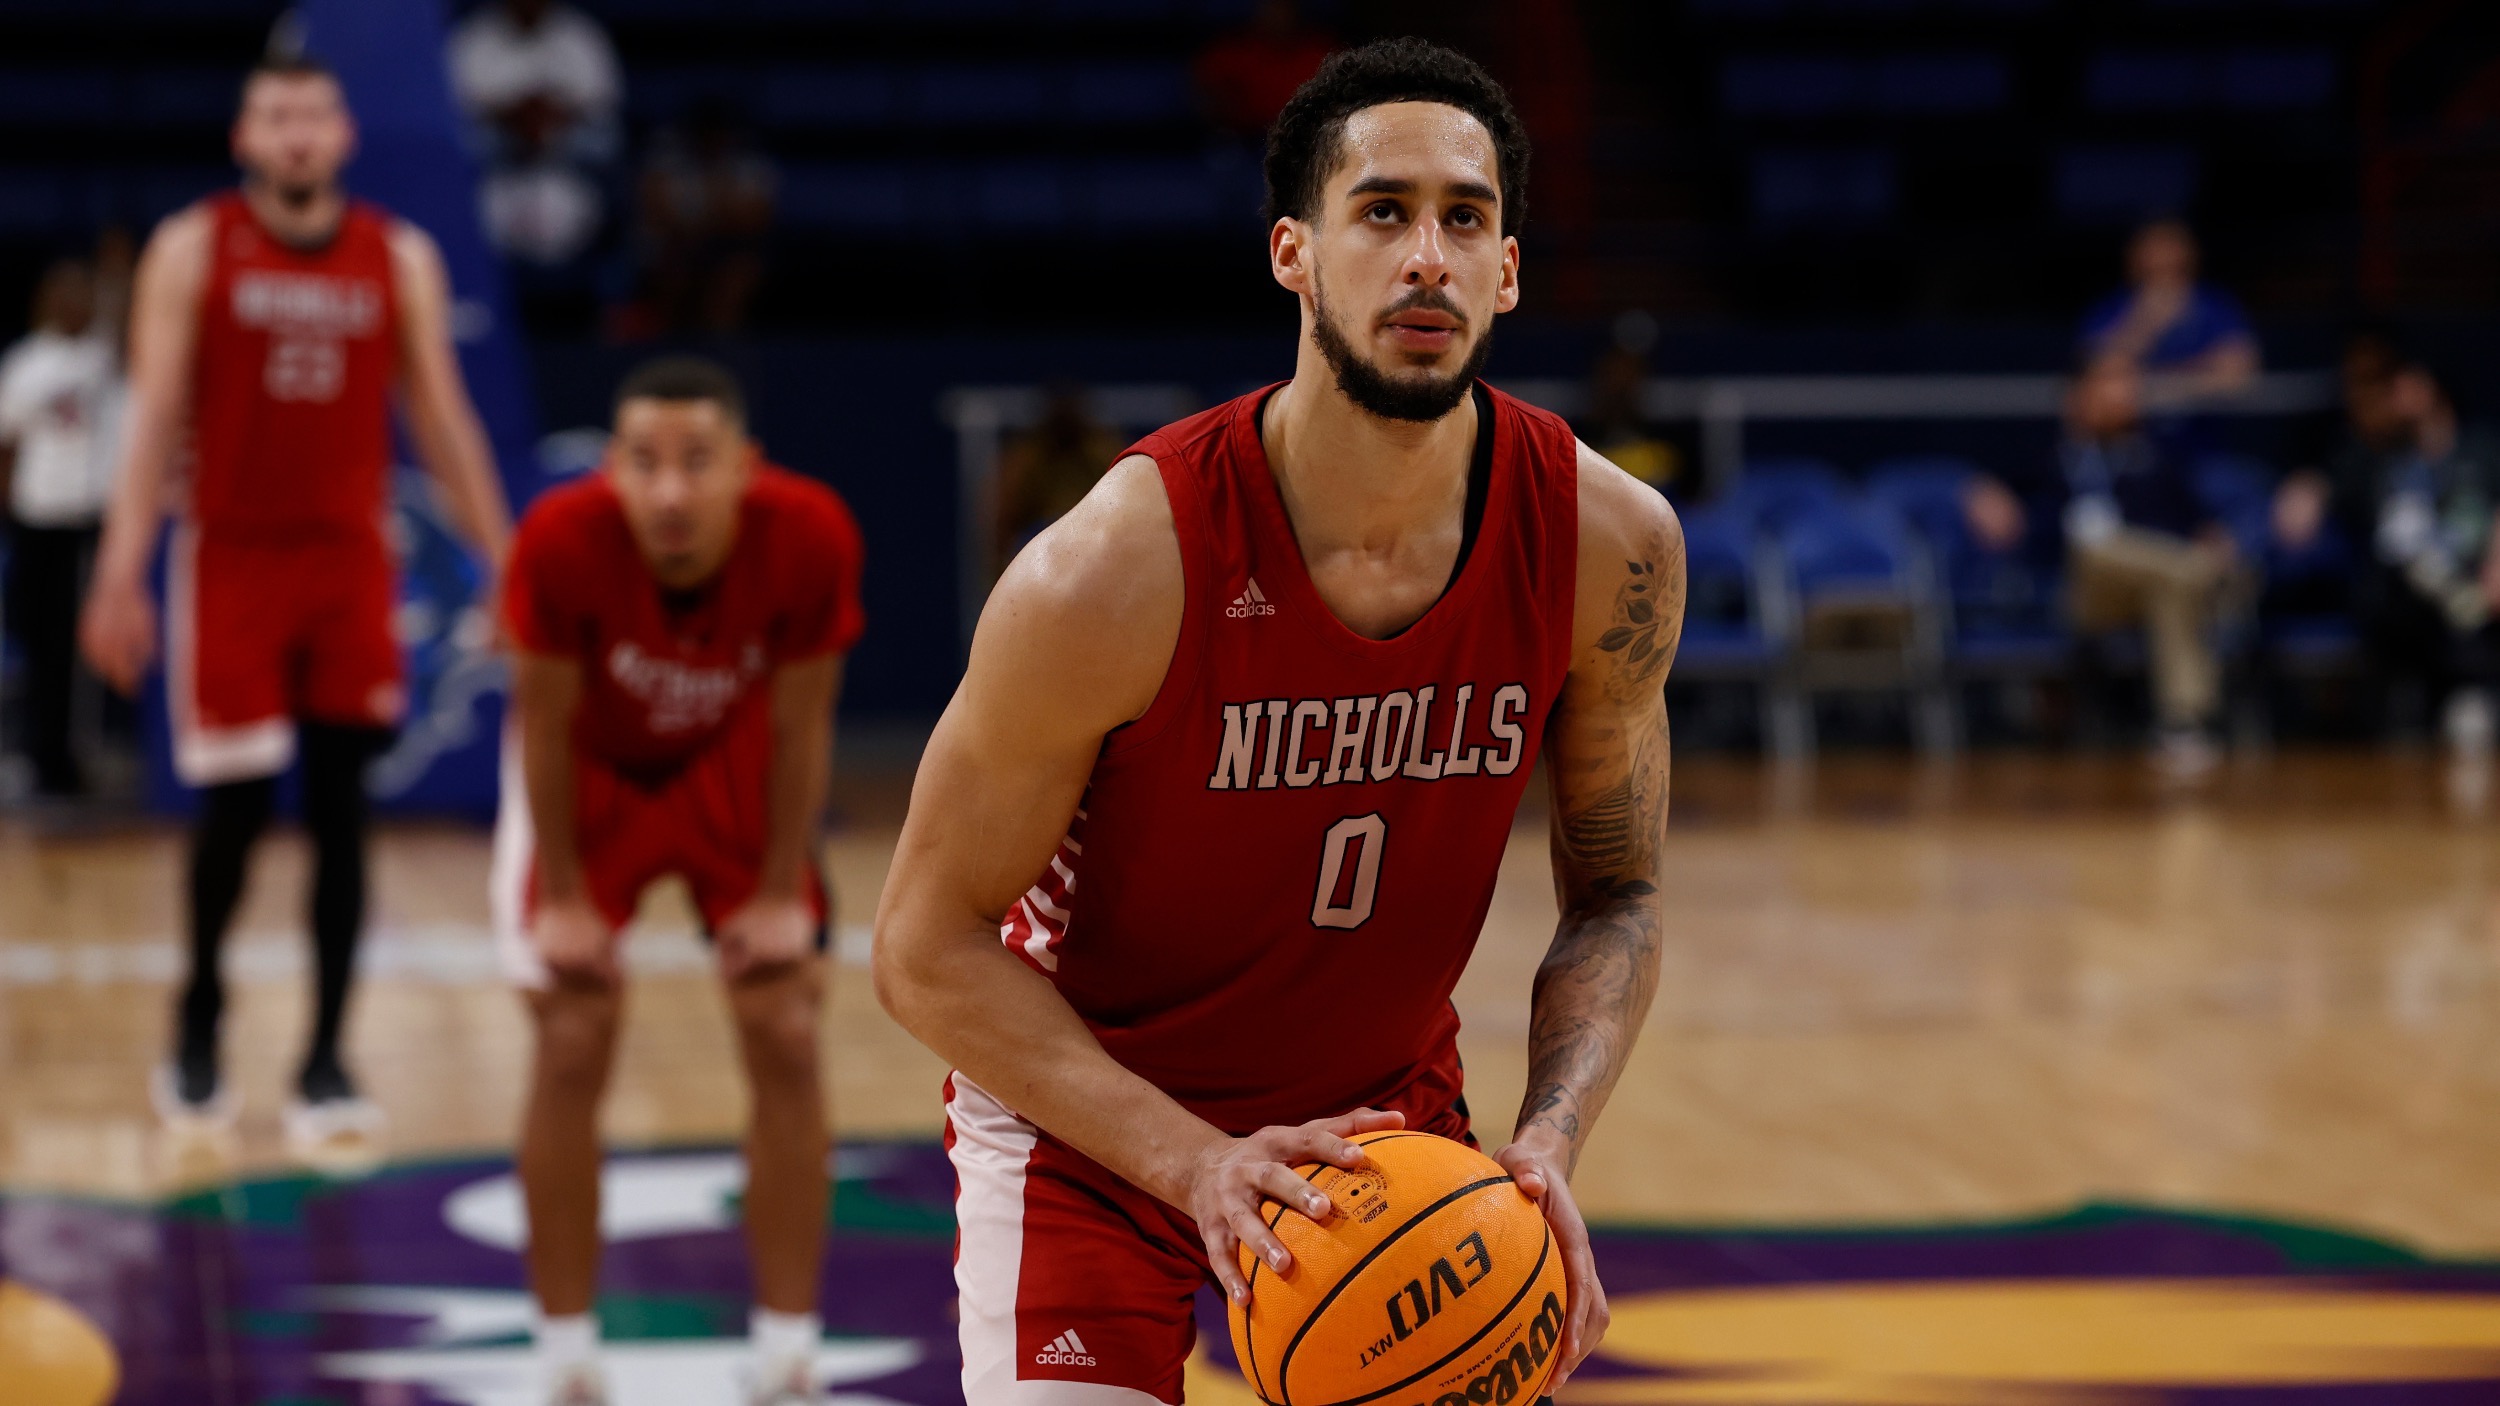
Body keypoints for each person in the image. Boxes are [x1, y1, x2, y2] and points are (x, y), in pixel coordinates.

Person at [875, 38, 1682, 1405]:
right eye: (1383, 211)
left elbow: (1616, 892)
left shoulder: (1610, 544)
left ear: (1509, 272)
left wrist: (1545, 1142)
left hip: (1388, 1135)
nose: (1426, 255)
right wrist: (1192, 1160)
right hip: (1093, 1127)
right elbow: (921, 945)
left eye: (1464, 218)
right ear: (1293, 253)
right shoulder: (1117, 568)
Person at [78, 56, 513, 1146]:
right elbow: (153, 415)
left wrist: (504, 557)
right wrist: (121, 568)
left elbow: (443, 418)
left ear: (343, 135)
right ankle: (201, 1017)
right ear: (245, 138)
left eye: (313, 114)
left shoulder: (394, 256)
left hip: (346, 560)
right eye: (276, 116)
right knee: (230, 815)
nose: (297, 134)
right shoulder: (193, 246)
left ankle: (325, 1053)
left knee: (342, 816)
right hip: (229, 555)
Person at [495, 356, 865, 1406]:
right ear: (608, 469)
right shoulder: (559, 539)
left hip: (729, 764)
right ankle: (565, 1356)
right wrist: (563, 893)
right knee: (570, 1032)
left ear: (745, 468)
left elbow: (801, 724)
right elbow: (545, 725)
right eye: (644, 463)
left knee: (786, 1024)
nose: (669, 490)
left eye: (696, 461)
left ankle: (787, 1351)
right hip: (592, 773)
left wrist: (780, 887)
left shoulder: (811, 533)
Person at [1964, 357, 2238, 779]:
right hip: (2082, 592)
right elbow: (1987, 485)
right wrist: (1986, 493)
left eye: (2128, 385)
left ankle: (2181, 725)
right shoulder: (2049, 453)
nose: (2125, 395)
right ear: (2079, 397)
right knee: (2100, 547)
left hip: (2150, 588)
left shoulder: (2154, 455)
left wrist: (2212, 541)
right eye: (2111, 385)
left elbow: (2200, 522)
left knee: (2174, 586)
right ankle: (2195, 573)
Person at [2274, 357, 2500, 751]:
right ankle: (2416, 712)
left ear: (2432, 391)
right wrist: (2306, 487)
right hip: (2399, 599)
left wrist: (2496, 564)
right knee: (2405, 564)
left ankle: (2470, 694)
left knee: (2470, 602)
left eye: (2403, 389)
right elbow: (2327, 482)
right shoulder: (2379, 456)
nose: (2394, 401)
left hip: (2472, 587)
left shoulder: (2482, 449)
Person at [0, 258, 124, 799]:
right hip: (38, 518)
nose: (74, 303)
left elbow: (124, 315)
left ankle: (74, 756)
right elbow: (7, 444)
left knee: (84, 646)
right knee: (40, 641)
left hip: (87, 520)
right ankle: (40, 755)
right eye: (64, 293)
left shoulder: (101, 358)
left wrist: (115, 267)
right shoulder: (26, 363)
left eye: (83, 294)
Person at [449, 0, 622, 267]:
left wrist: (552, 123)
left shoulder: (582, 38)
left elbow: (607, 132)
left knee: (575, 218)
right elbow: (452, 131)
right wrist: (511, 122)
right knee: (478, 218)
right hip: (495, 180)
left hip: (567, 178)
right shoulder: (472, 40)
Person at [633, 98, 776, 337]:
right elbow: (656, 211)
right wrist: (718, 213)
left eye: (720, 134)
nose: (714, 141)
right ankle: (670, 351)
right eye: (707, 134)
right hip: (676, 248)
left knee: (732, 282)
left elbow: (755, 219)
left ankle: (721, 356)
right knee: (673, 274)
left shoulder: (748, 160)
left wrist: (698, 220)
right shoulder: (667, 155)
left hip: (728, 250)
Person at [2077, 217, 2261, 398]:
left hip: (2203, 423)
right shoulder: (2110, 308)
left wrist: (2160, 387)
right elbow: (2103, 372)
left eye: (2170, 249)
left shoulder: (2216, 306)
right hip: (2137, 424)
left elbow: (2236, 373)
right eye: (2153, 250)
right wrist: (2147, 320)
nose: (2163, 259)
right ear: (2134, 256)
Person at [991, 383, 1126, 576]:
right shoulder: (1025, 461)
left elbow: (1124, 513)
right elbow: (1003, 525)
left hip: (1095, 551)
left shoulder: (1104, 454)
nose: (1064, 418)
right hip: (1034, 556)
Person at [1195, 0, 1337, 138]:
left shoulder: (1319, 53)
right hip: (1244, 142)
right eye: (1272, 7)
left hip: (1302, 140)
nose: (1278, 15)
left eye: (1284, 8)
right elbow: (1205, 99)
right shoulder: (1232, 54)